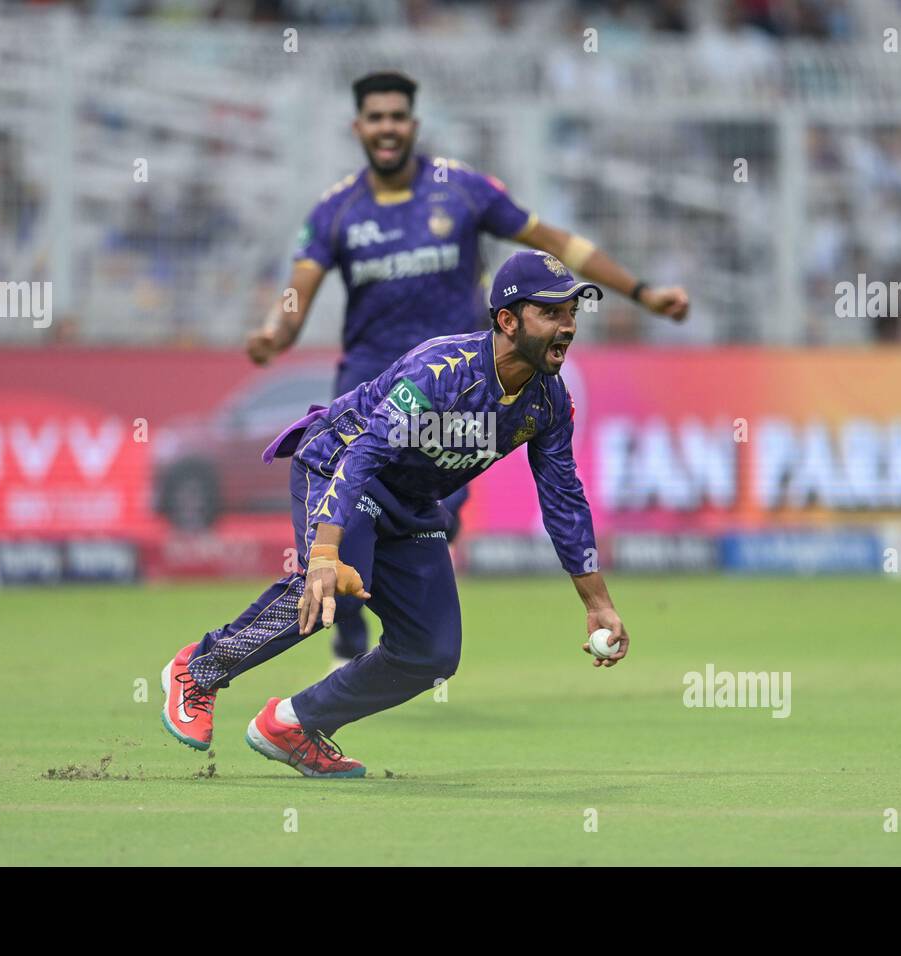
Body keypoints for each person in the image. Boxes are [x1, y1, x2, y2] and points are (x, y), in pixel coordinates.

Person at [246, 70, 687, 669]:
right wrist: (276, 332)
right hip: (372, 384)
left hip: (466, 390)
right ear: (359, 127)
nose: (388, 127)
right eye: (375, 118)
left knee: (435, 515)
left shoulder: (462, 190)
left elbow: (558, 244)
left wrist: (641, 291)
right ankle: (345, 632)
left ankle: (396, 638)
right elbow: (298, 292)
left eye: (398, 116)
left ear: (413, 124)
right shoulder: (336, 210)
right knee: (349, 512)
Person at [162, 251, 629, 777]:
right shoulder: (442, 370)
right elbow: (365, 453)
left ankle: (295, 723)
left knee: (431, 652)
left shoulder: (548, 402)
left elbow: (563, 497)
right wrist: (323, 552)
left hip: (409, 503)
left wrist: (597, 604)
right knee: (332, 582)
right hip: (341, 460)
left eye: (572, 314)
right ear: (507, 320)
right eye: (552, 313)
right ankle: (198, 671)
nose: (567, 327)